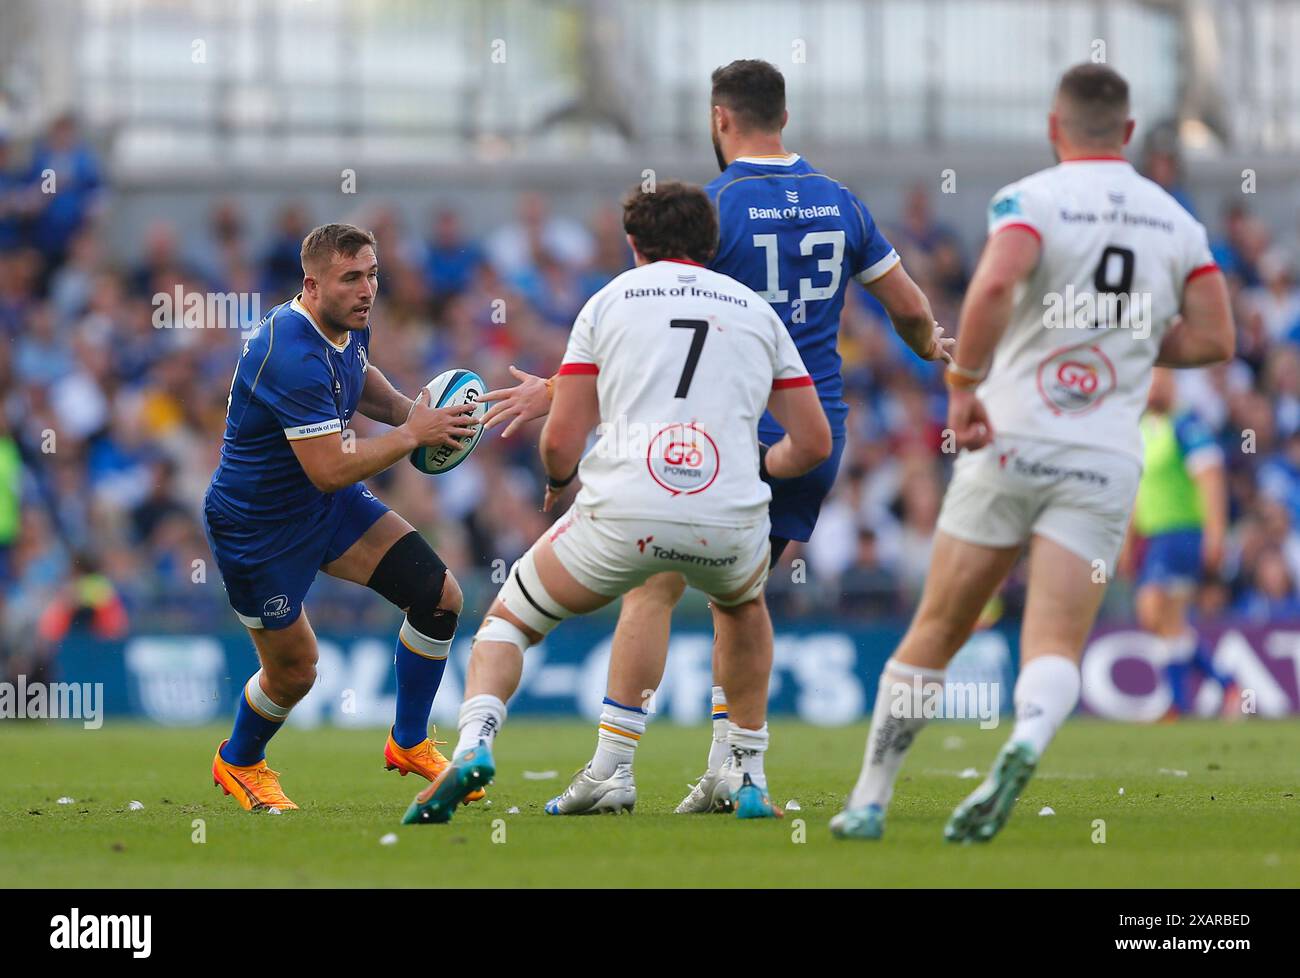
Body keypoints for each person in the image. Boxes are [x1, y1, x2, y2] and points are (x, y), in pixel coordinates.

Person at [479, 60, 948, 812]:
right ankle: (734, 767)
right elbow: (910, 307)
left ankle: (613, 766)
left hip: (716, 430)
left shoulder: (713, 207)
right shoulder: (840, 203)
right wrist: (936, 351)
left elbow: (663, 332)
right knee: (741, 598)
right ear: (783, 117)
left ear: (720, 119)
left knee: (654, 584)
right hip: (814, 432)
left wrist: (561, 390)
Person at [831, 63, 1235, 842]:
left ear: (1055, 129)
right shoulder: (1176, 222)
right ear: (1127, 133)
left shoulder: (1031, 199)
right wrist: (1137, 342)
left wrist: (961, 386)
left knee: (938, 628)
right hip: (1104, 459)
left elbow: (989, 289)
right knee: (1054, 639)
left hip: (1012, 439)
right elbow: (1218, 338)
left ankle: (870, 799)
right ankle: (1023, 741)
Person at [402, 182, 831, 824]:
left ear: (634, 244)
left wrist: (559, 478)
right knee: (742, 606)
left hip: (625, 508)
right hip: (728, 510)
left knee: (508, 621)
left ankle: (474, 744)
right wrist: (762, 465)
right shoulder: (754, 310)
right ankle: (745, 770)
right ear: (711, 246)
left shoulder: (608, 302)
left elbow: (561, 440)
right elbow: (815, 442)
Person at [204, 223, 483, 811]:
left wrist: (412, 413)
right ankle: (240, 759)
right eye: (352, 278)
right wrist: (412, 435)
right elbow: (330, 467)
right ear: (311, 284)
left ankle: (408, 743)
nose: (367, 289)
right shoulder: (288, 352)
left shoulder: (346, 320)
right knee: (296, 673)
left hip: (321, 506)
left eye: (373, 274)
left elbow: (358, 378)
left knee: (439, 597)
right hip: (259, 527)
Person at [1132, 368, 1239, 718]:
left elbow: (1210, 478)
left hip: (1184, 535)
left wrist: (1216, 534)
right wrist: (1128, 541)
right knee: (1166, 620)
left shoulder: (1187, 425)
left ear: (1173, 386)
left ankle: (1184, 700)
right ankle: (1220, 687)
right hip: (1155, 537)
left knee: (1156, 611)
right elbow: (1139, 490)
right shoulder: (1145, 429)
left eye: (1161, 382)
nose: (1154, 389)